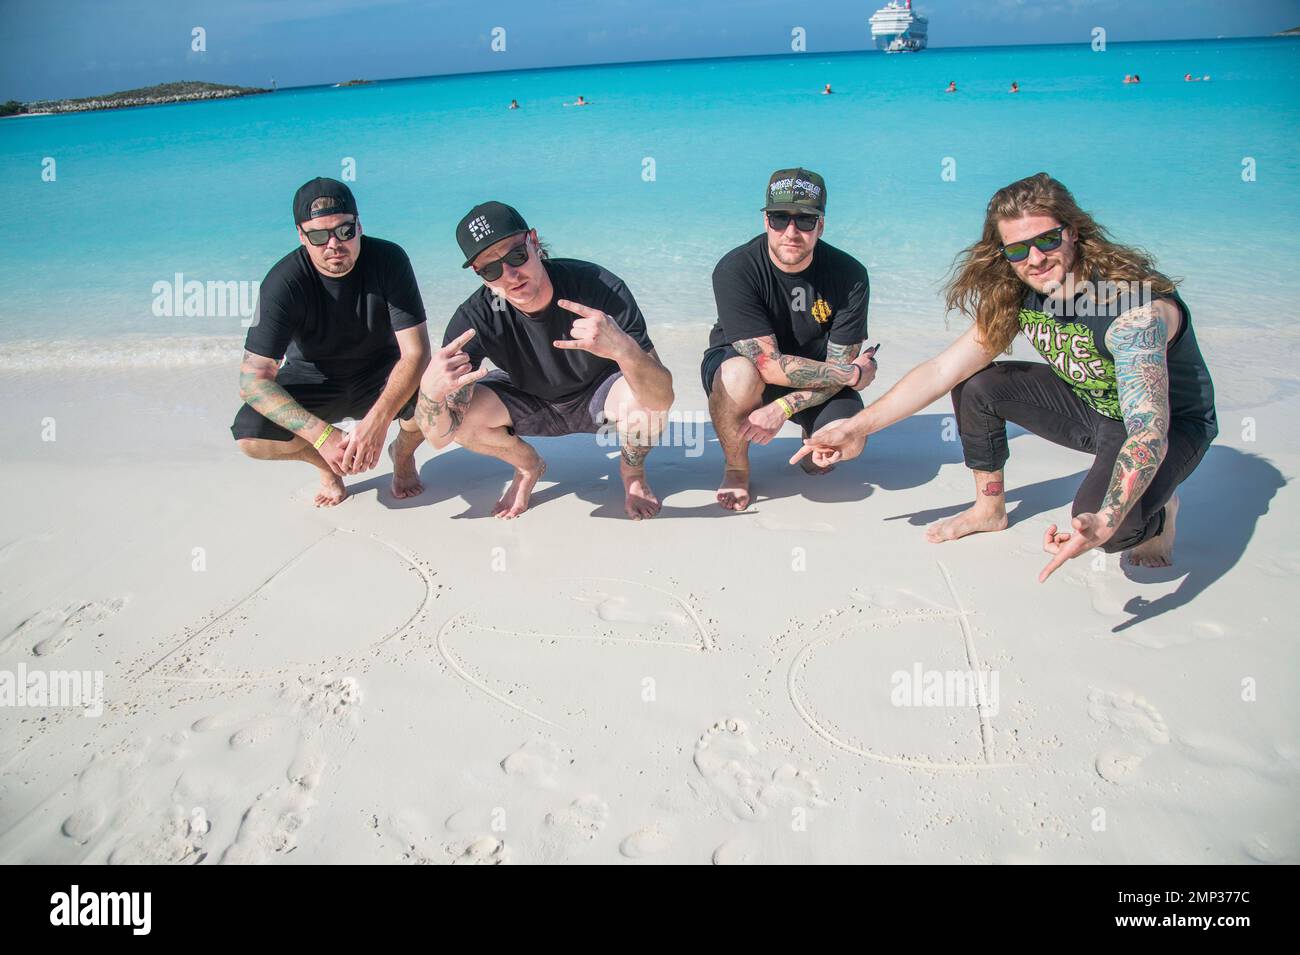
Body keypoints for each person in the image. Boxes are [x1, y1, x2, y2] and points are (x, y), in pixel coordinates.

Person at [794, 173, 1217, 581]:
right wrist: (854, 426)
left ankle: (1159, 513)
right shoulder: (1020, 293)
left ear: (1072, 232)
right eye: (1017, 250)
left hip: (1166, 426)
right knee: (978, 384)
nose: (1034, 259)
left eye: (1047, 240)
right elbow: (943, 369)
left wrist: (1107, 517)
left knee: (1112, 532)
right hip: (1094, 407)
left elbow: (1148, 432)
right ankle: (989, 509)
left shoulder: (1132, 310)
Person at [415, 202, 674, 520]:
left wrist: (623, 349)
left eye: (516, 256)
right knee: (463, 417)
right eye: (491, 269)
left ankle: (632, 472)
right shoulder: (475, 317)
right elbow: (439, 438)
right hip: (529, 398)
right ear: (479, 275)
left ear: (534, 242)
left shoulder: (598, 286)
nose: (510, 275)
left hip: (599, 392)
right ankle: (527, 466)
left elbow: (662, 397)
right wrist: (430, 390)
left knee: (645, 405)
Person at [233, 178, 429, 507]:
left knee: (443, 398)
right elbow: (252, 380)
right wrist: (321, 436)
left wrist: (377, 424)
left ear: (359, 225)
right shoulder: (283, 282)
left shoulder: (389, 260)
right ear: (301, 235)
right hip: (313, 379)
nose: (333, 244)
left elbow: (417, 352)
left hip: (381, 375)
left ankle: (404, 454)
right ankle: (327, 467)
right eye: (319, 235)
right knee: (250, 435)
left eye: (344, 231)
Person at [702, 168, 878, 512]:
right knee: (740, 374)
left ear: (821, 225)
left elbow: (838, 364)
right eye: (780, 218)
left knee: (848, 441)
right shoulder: (736, 269)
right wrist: (854, 375)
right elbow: (768, 365)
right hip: (745, 369)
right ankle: (736, 467)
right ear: (766, 220)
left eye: (805, 220)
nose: (791, 232)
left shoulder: (851, 275)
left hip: (817, 375)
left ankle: (811, 447)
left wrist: (784, 407)